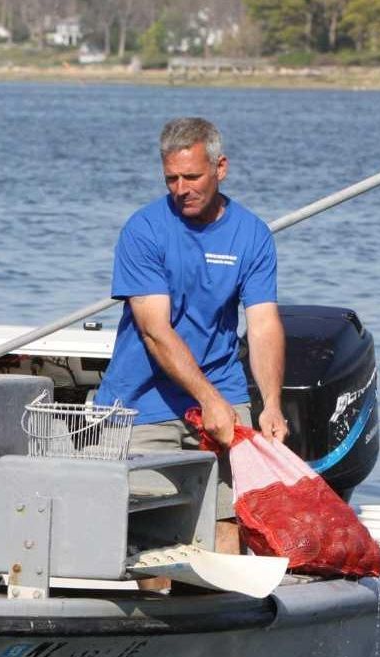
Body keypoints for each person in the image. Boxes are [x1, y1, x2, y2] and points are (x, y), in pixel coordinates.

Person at [94, 117, 288, 555]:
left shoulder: (252, 234)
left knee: (226, 525)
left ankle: (220, 611)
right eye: (171, 179)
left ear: (221, 167)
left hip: (223, 393)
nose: (181, 189)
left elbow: (262, 324)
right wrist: (209, 399)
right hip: (142, 405)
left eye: (192, 176)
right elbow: (154, 331)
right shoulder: (144, 230)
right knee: (151, 543)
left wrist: (271, 404)